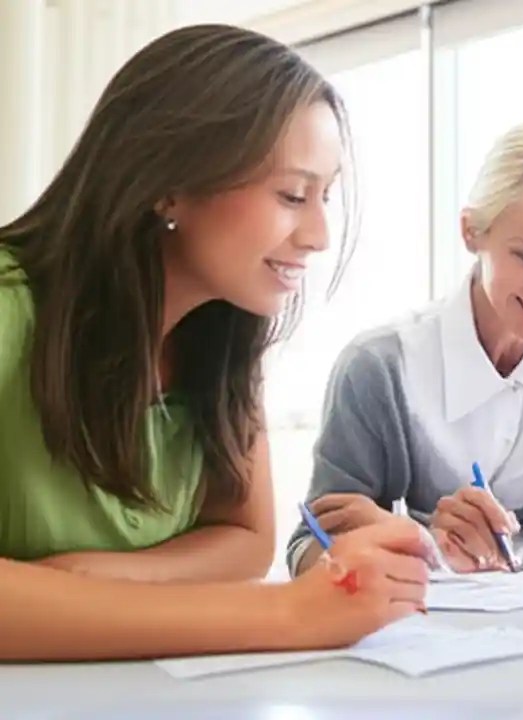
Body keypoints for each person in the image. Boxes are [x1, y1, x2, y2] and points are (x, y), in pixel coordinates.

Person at [0, 25, 428, 661]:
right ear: (169, 183)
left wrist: (94, 582)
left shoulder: (224, 334)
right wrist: (287, 614)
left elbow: (244, 542)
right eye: (292, 195)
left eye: (326, 198)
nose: (318, 234)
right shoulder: (12, 309)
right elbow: (250, 579)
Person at [287, 122, 523, 576]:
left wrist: (499, 552)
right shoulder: (379, 366)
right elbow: (311, 543)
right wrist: (417, 545)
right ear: (471, 232)